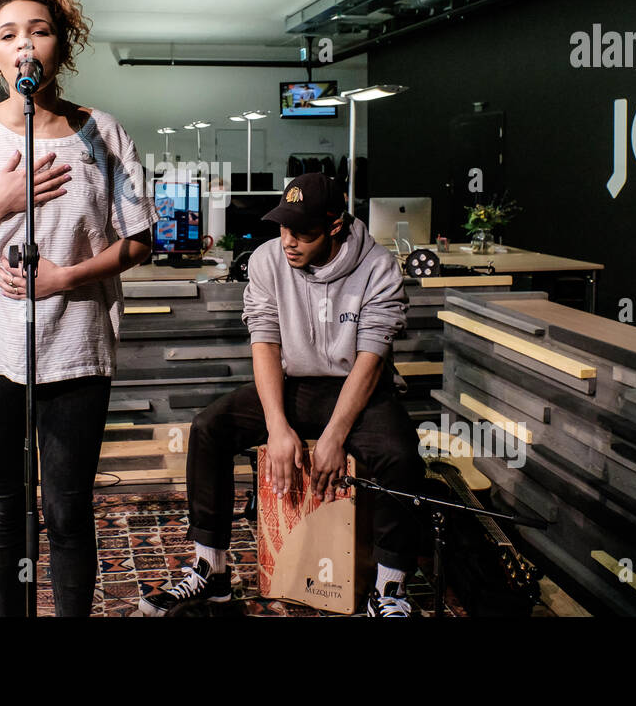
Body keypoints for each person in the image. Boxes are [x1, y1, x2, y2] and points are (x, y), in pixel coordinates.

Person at [0, 0, 156, 617]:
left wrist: (65, 277)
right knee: (3, 509)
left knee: (68, 507)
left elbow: (140, 242)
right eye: (8, 35)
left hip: (75, 348)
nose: (24, 45)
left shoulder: (100, 133)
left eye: (39, 31)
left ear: (61, 46)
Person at [141, 172, 425, 617]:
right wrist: (276, 426)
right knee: (209, 428)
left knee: (402, 455)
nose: (288, 242)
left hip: (357, 385)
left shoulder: (379, 268)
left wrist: (334, 436)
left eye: (303, 233)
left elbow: (371, 359)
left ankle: (389, 588)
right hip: (294, 384)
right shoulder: (267, 260)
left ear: (334, 226)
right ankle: (210, 569)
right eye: (283, 228)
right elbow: (265, 342)